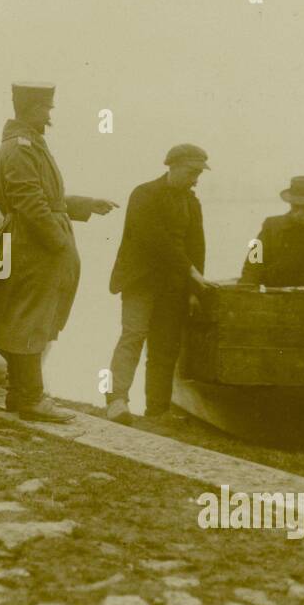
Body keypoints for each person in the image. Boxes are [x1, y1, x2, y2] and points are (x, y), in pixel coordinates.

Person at [0, 82, 117, 423]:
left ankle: (20, 394)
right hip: (34, 245)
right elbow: (29, 200)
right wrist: (57, 240)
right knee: (30, 320)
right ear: (29, 108)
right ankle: (33, 398)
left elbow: (45, 197)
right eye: (45, 108)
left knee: (27, 318)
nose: (50, 115)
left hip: (34, 240)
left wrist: (83, 205)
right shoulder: (21, 147)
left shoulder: (29, 144)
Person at [104, 144, 210, 425]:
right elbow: (155, 239)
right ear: (172, 166)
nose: (195, 179)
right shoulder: (144, 194)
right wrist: (190, 270)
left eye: (199, 173)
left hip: (173, 285)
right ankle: (116, 401)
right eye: (192, 172)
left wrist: (194, 290)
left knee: (165, 347)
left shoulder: (192, 202)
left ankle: (157, 411)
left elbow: (197, 246)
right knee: (134, 335)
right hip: (140, 280)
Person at [239, 175, 304, 289]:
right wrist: (245, 294)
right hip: (272, 300)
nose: (300, 213)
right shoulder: (270, 226)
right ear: (290, 203)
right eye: (296, 206)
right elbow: (252, 265)